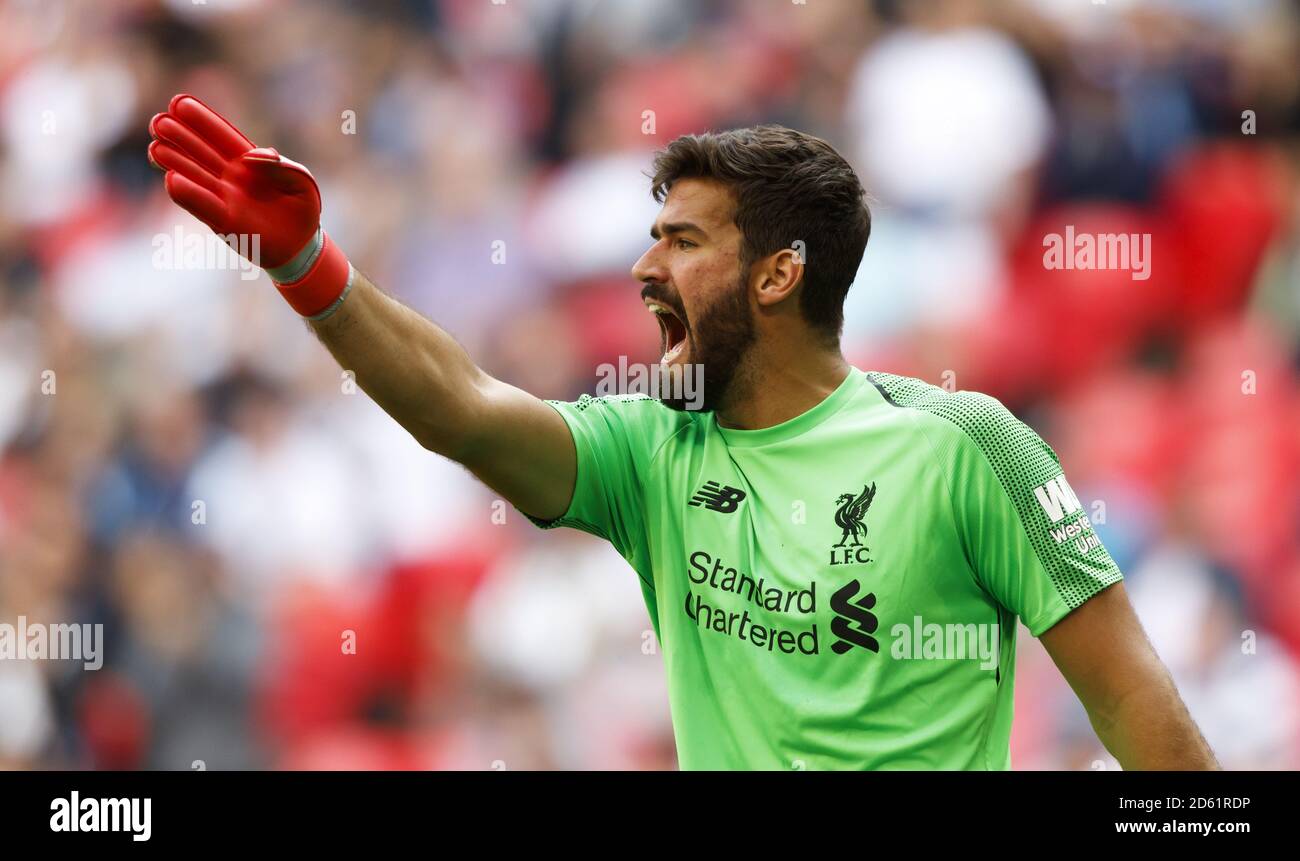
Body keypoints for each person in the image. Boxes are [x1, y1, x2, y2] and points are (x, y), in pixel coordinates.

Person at [147, 93, 1220, 770]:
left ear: (778, 273)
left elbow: (1144, 719)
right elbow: (461, 409)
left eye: (681, 241)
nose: (641, 269)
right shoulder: (650, 453)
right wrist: (307, 268)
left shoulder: (963, 449)